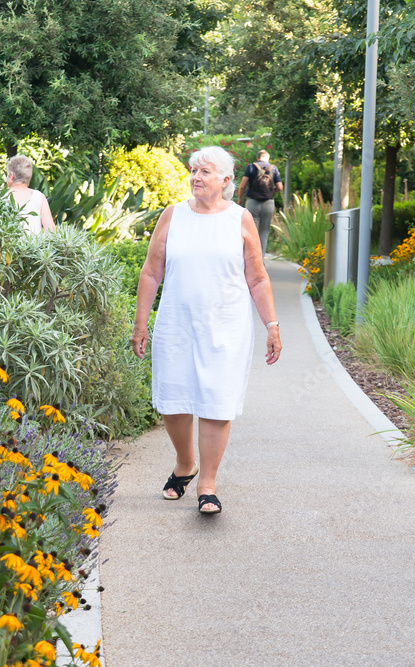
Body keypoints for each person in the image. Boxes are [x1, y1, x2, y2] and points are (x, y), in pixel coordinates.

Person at [131, 146, 282, 515]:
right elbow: (151, 271)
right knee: (174, 400)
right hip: (177, 323)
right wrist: (140, 323)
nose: (196, 177)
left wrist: (272, 325)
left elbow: (257, 278)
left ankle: (207, 484)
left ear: (226, 181)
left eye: (205, 172)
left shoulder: (240, 219)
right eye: (194, 170)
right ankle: (186, 463)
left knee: (217, 401)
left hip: (226, 326)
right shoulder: (173, 216)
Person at [237, 149, 283, 254]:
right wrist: (271, 191)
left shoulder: (251, 167)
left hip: (252, 202)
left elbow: (242, 186)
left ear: (258, 158)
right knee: (264, 233)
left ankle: (250, 260)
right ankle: (260, 262)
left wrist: (240, 199)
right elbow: (280, 187)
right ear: (268, 158)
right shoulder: (273, 168)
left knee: (251, 232)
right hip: (268, 203)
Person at [5, 155, 56, 234]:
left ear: (11, 176)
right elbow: (51, 231)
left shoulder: (0, 195)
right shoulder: (39, 197)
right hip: (32, 246)